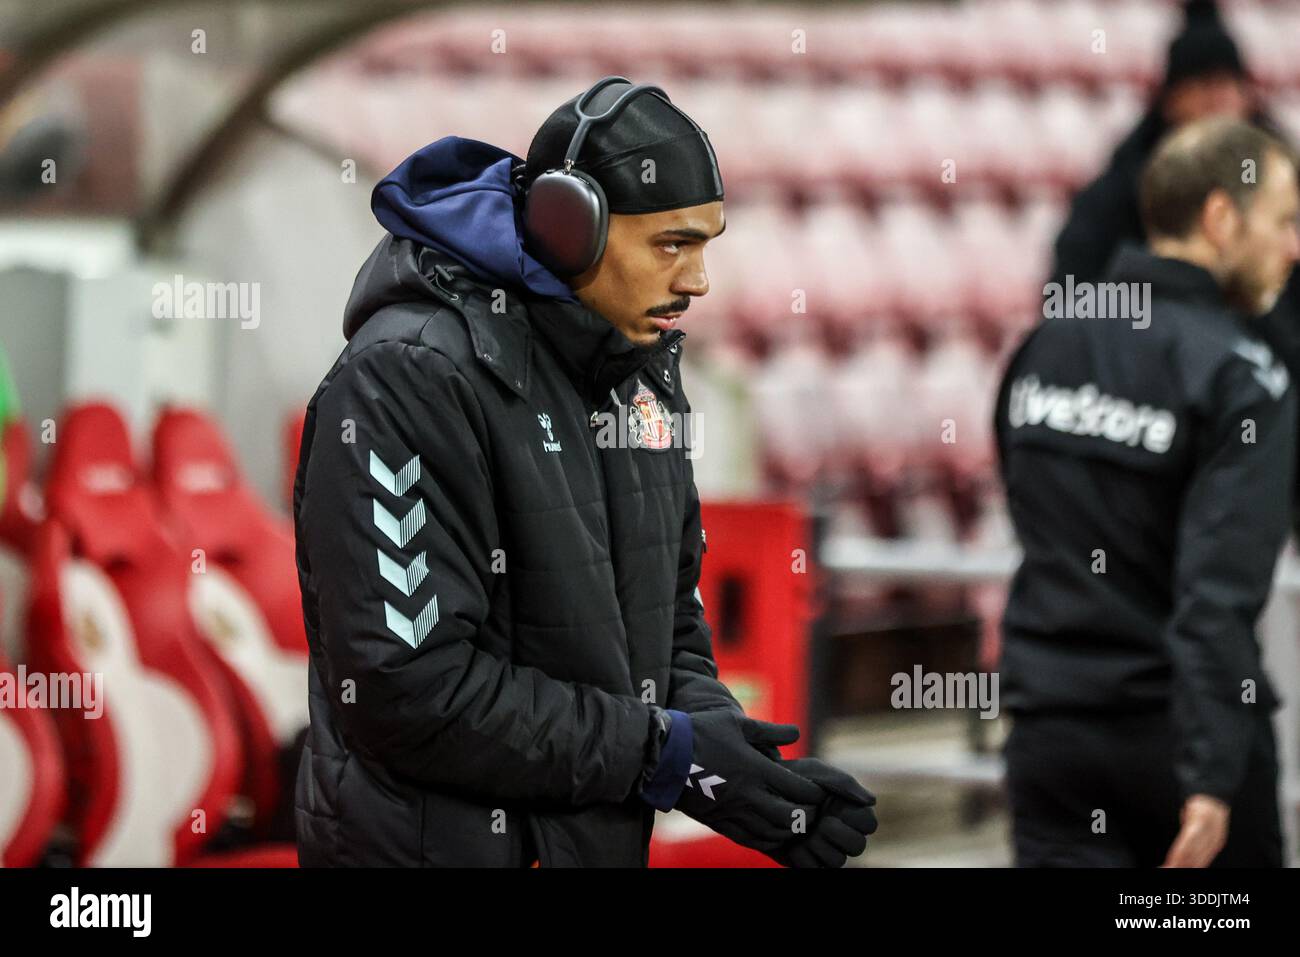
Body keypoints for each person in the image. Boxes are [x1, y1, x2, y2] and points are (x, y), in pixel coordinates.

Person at [292, 76, 877, 867]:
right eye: (672, 244)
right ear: (571, 230)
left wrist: (737, 778)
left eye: (707, 244)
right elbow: (410, 694)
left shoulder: (639, 374)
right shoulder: (407, 377)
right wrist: (663, 754)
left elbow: (665, 635)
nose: (698, 280)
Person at [994, 117, 1300, 867]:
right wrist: (1212, 776)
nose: (1295, 248)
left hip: (1049, 740)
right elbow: (1216, 599)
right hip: (1177, 750)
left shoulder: (1046, 343)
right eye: (1286, 220)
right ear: (1220, 218)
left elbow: (1028, 512)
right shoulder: (1241, 375)